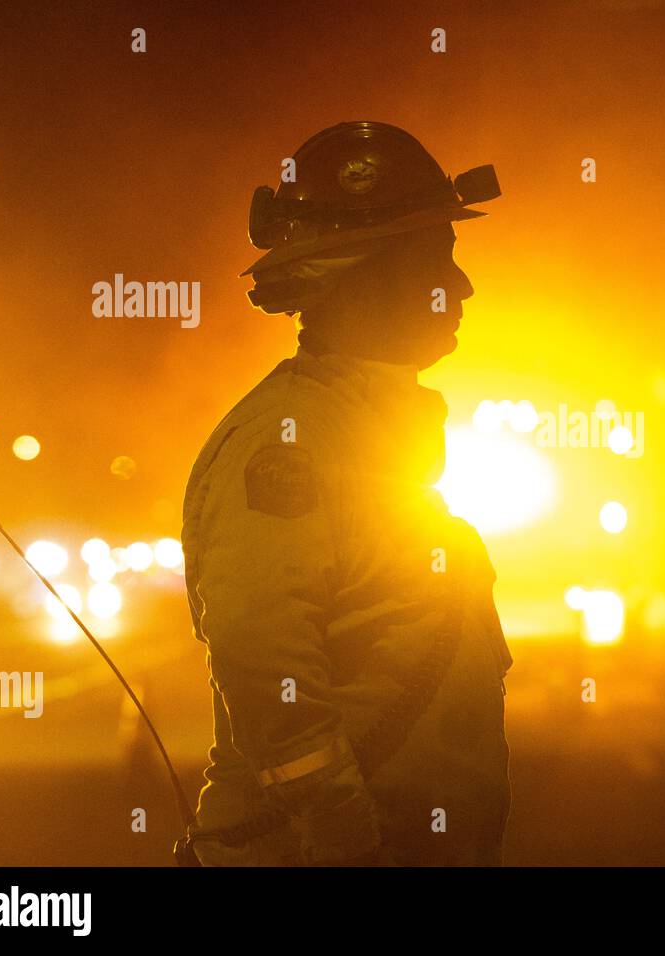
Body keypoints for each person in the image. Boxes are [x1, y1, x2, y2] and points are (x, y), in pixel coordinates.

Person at [177, 122, 512, 866]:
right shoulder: (292, 442)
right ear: (360, 274)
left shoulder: (367, 434)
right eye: (436, 259)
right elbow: (264, 658)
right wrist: (343, 839)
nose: (460, 287)